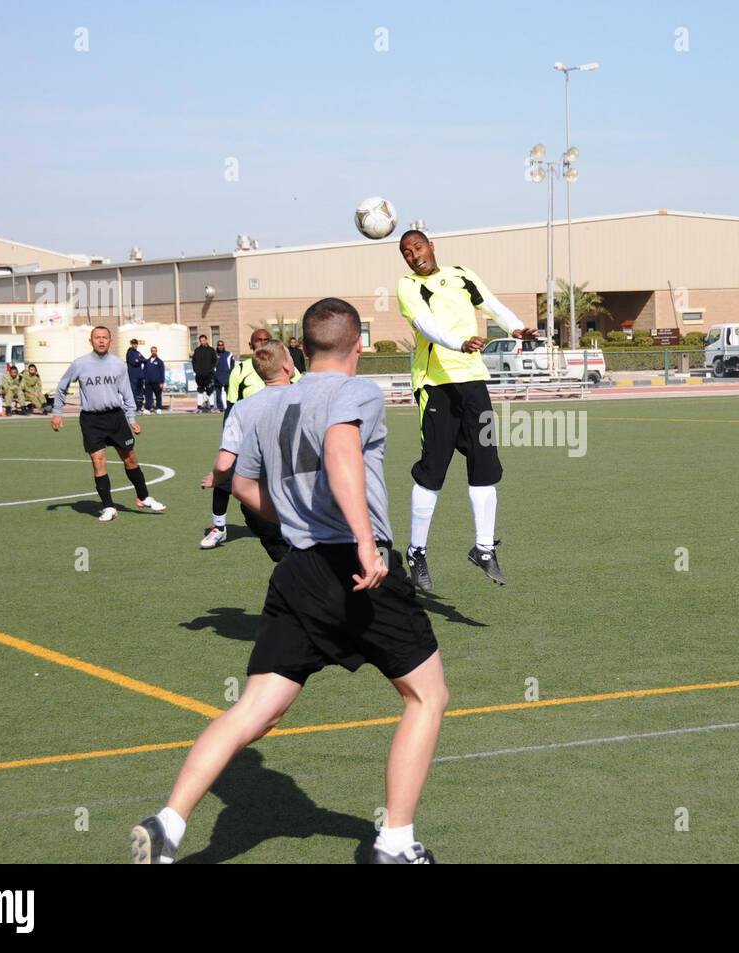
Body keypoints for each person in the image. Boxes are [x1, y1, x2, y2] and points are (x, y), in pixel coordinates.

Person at [131, 297, 448, 865]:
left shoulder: (262, 405)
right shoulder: (359, 392)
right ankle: (395, 844)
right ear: (359, 347)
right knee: (427, 696)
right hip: (355, 569)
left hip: (296, 572)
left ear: (300, 348)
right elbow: (340, 447)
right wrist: (364, 540)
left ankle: (168, 823)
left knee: (256, 710)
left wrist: (297, 521)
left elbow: (239, 484)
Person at [396, 229, 534, 590]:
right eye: (407, 252)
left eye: (418, 247)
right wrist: (459, 343)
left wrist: (517, 328)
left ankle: (484, 549)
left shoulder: (462, 275)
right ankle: (417, 551)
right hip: (436, 384)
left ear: (431, 246)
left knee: (486, 463)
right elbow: (426, 325)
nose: (414, 256)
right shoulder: (408, 286)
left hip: (473, 382)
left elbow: (490, 303)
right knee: (433, 470)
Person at [51, 326, 167, 522]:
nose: (101, 341)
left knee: (130, 458)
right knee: (98, 462)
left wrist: (132, 419)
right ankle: (108, 507)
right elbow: (62, 386)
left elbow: (127, 392)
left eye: (105, 337)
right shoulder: (80, 364)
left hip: (115, 418)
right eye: (97, 337)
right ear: (91, 341)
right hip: (91, 420)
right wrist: (57, 412)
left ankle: (144, 497)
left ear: (111, 341)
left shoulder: (118, 364)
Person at [198, 339, 292, 559]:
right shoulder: (309, 399)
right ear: (287, 366)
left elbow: (223, 464)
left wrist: (215, 477)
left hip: (260, 505)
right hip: (303, 501)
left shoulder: (241, 409)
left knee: (288, 563)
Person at [191, 334, 217, 413]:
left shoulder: (211, 350)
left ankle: (212, 407)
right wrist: (196, 371)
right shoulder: (197, 350)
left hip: (209, 375)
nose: (202, 342)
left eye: (203, 340)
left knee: (210, 390)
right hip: (199, 375)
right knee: (200, 390)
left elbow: (215, 361)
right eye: (201, 341)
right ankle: (198, 407)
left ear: (206, 340)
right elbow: (194, 361)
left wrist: (210, 370)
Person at [212, 339, 233, 413]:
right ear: (217, 346)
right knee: (218, 393)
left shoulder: (229, 354)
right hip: (217, 377)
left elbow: (232, 365)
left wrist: (230, 373)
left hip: (227, 376)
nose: (220, 346)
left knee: (229, 393)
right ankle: (220, 408)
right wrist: (215, 374)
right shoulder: (214, 355)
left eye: (222, 345)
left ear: (223, 346)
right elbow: (212, 366)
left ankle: (230, 407)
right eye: (219, 345)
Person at [126, 339, 147, 414]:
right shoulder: (129, 353)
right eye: (134, 343)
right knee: (133, 392)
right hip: (133, 375)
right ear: (131, 344)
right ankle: (134, 408)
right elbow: (133, 362)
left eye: (136, 344)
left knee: (140, 392)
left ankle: (139, 407)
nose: (135, 345)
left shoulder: (138, 353)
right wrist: (139, 360)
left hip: (140, 375)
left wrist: (139, 360)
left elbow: (144, 360)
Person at [144, 346, 165, 414]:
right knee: (148, 397)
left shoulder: (160, 362)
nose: (154, 352)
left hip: (157, 382)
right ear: (151, 351)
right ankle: (147, 408)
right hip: (148, 382)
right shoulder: (147, 361)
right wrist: (144, 380)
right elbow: (144, 371)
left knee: (158, 396)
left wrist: (161, 382)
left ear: (156, 351)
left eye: (155, 351)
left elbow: (162, 372)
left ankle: (158, 408)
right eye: (152, 351)